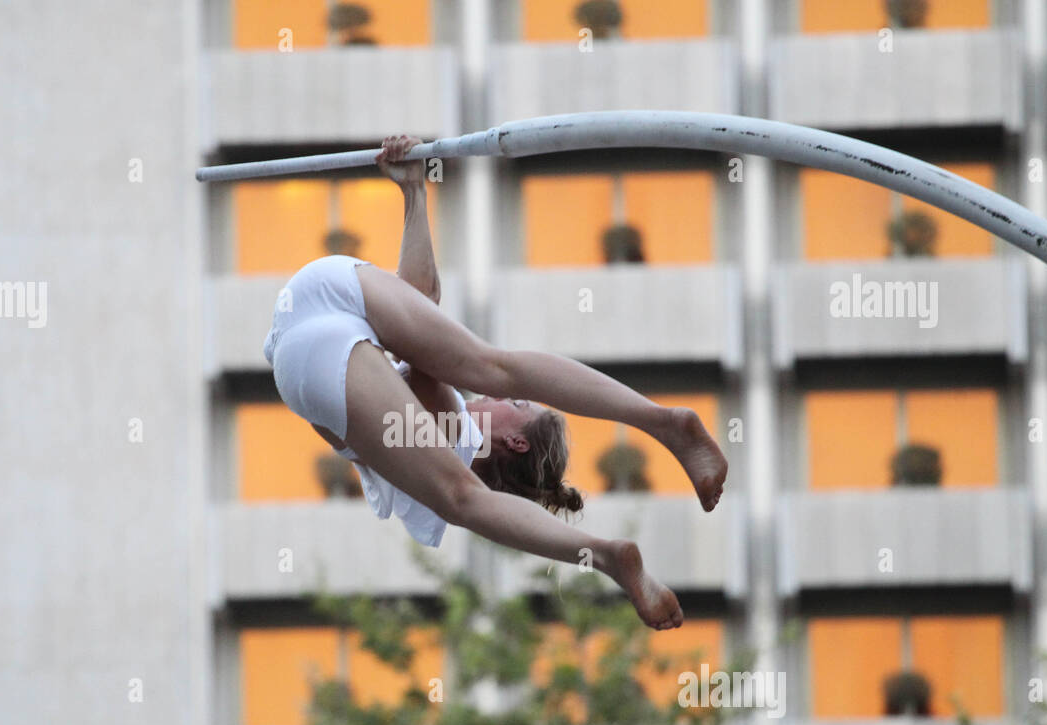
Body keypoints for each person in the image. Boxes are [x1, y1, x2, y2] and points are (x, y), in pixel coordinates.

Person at [262, 134, 728, 630]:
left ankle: (662, 424)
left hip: (325, 287)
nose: (502, 399)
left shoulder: (456, 436)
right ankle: (614, 531)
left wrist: (415, 196)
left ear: (512, 440)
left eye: (518, 407)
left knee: (489, 381)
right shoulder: (439, 446)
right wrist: (413, 194)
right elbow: (420, 305)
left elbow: (421, 304)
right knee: (469, 465)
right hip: (310, 349)